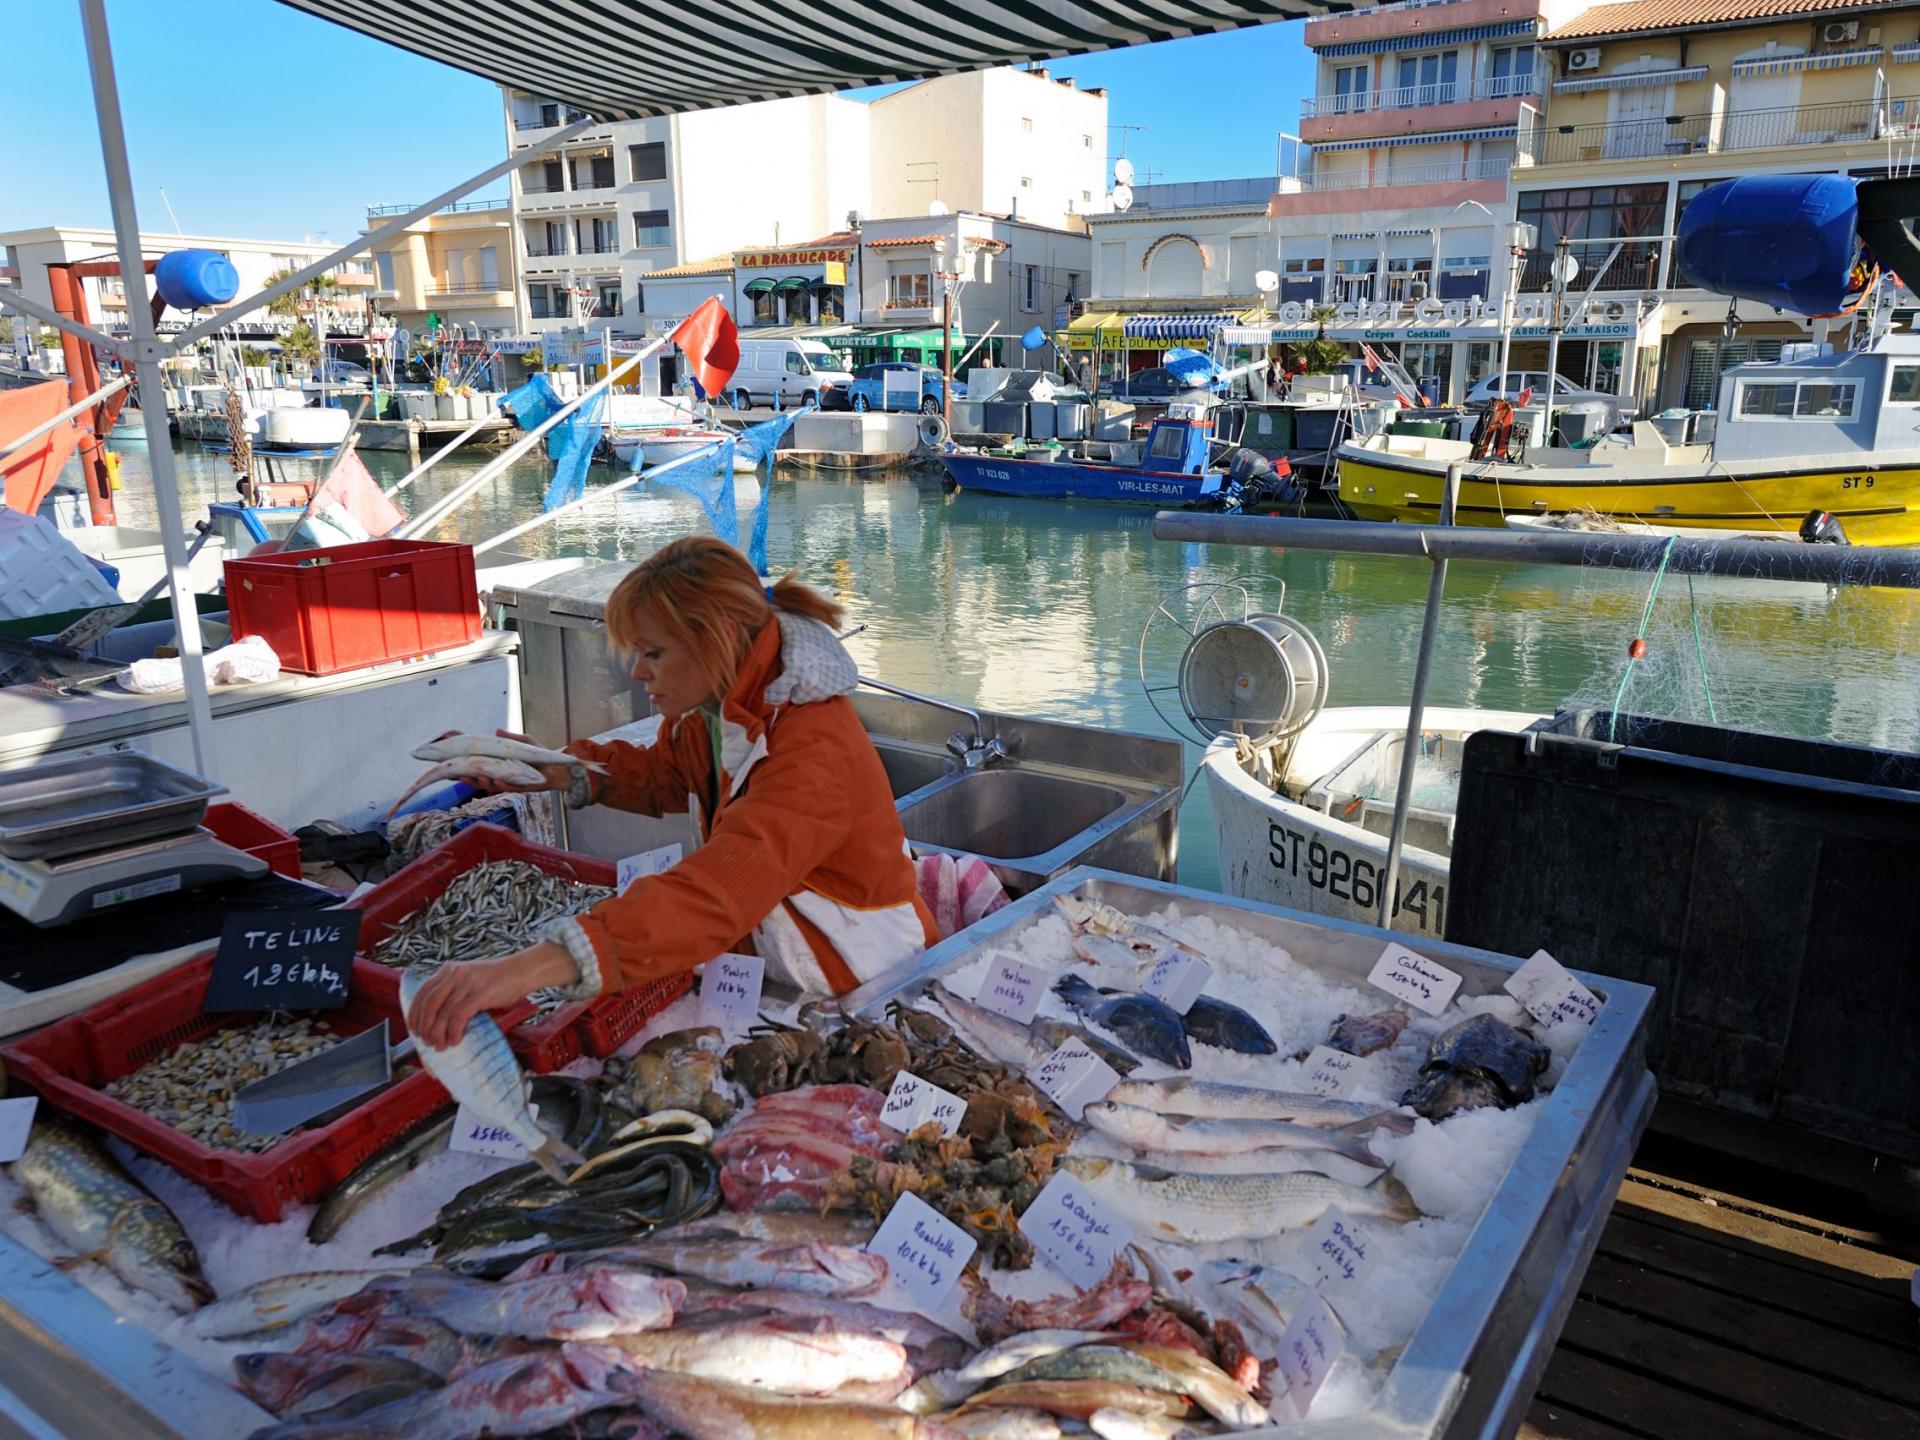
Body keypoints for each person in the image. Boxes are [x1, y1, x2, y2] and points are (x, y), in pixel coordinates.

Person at [407, 537, 939, 1048]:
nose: (638, 672)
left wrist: (533, 966)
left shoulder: (812, 750)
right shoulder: (718, 709)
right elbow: (666, 772)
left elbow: (722, 887)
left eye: (654, 653)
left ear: (718, 638)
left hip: (857, 972)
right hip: (775, 945)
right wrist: (558, 769)